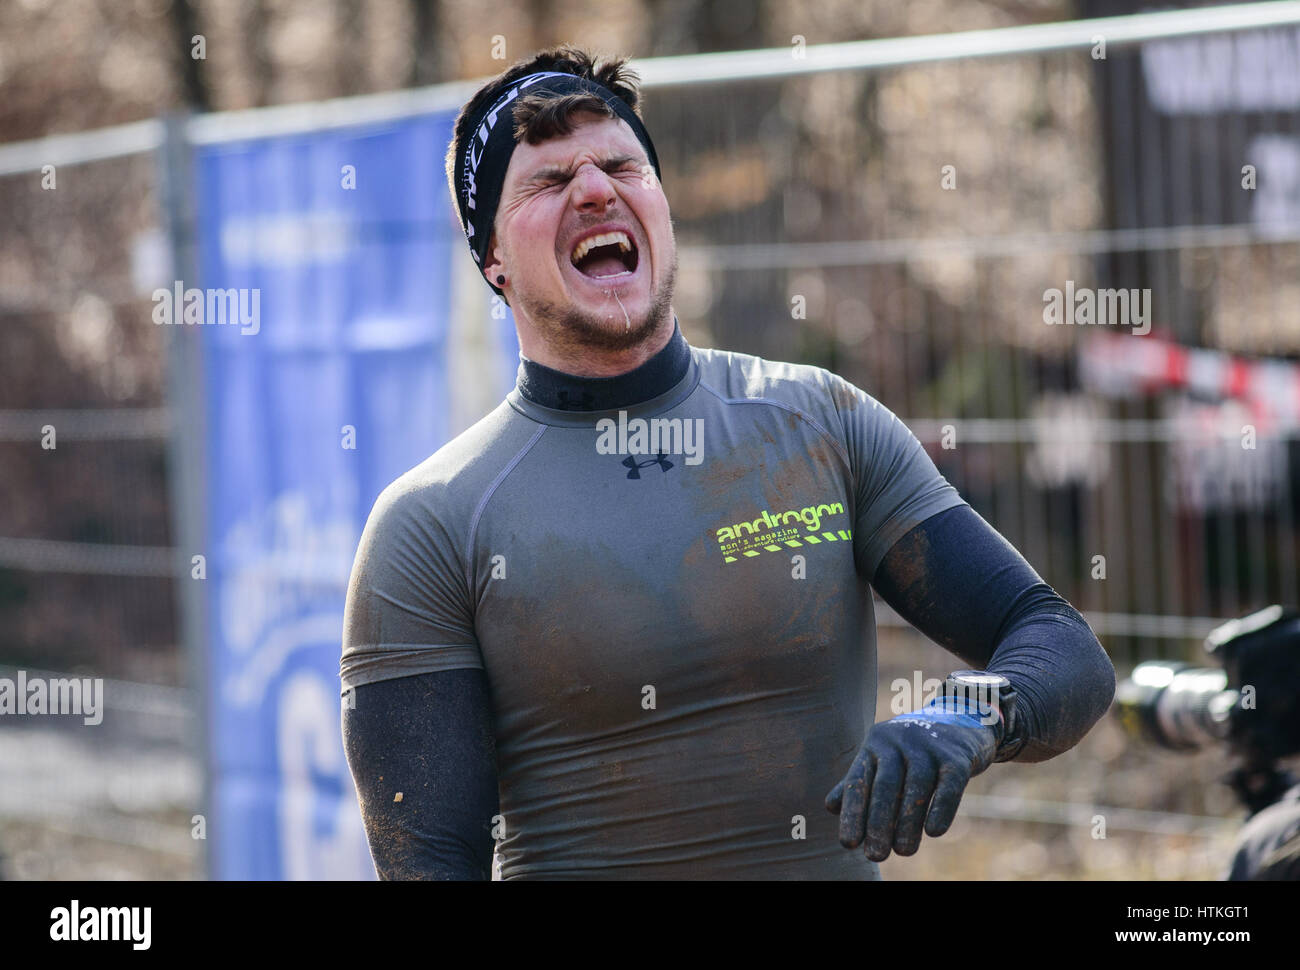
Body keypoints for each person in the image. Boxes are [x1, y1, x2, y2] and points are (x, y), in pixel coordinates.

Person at [340, 45, 1116, 880]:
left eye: (621, 165)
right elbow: (428, 863)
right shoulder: (432, 524)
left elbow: (1060, 647)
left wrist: (968, 715)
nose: (596, 189)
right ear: (491, 257)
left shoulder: (821, 424)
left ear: (662, 209)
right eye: (548, 180)